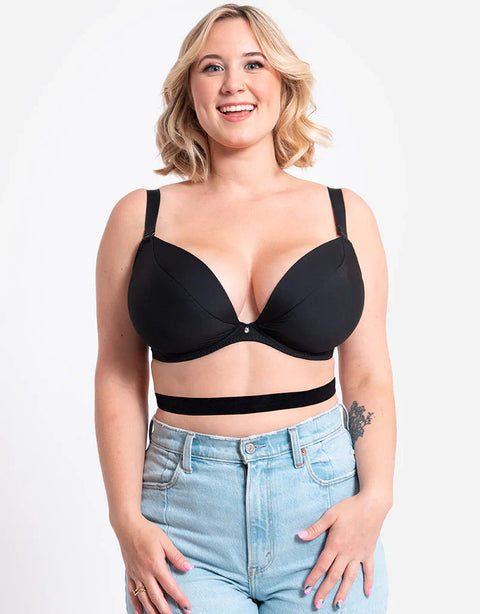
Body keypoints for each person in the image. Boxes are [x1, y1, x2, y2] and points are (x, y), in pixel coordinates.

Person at [95, 4, 396, 613]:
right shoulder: (141, 218)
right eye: (213, 67)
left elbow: (367, 372)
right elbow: (118, 374)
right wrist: (125, 519)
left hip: (323, 509)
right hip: (183, 520)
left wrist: (376, 499)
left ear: (283, 81)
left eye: (254, 64)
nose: (234, 83)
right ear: (190, 90)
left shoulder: (344, 215)